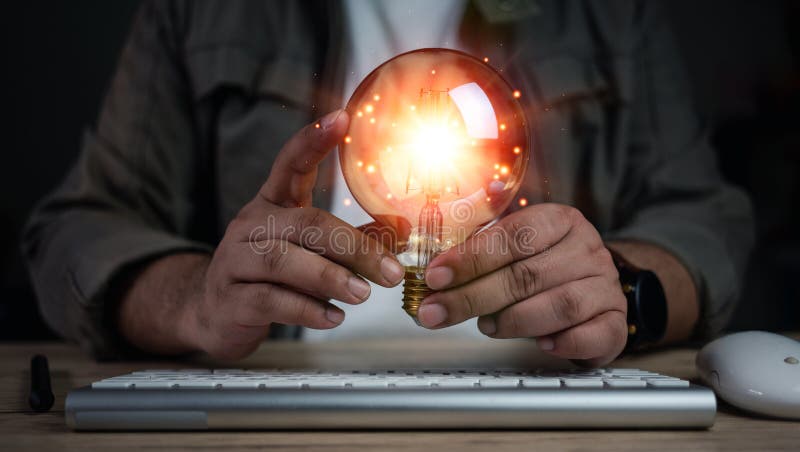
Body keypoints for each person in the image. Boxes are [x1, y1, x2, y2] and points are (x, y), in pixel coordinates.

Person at [23, 0, 753, 366]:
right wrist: (194, 301)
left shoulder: (607, 12)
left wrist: (623, 290)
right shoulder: (205, 9)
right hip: (280, 392)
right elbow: (79, 226)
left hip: (540, 391)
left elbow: (705, 217)